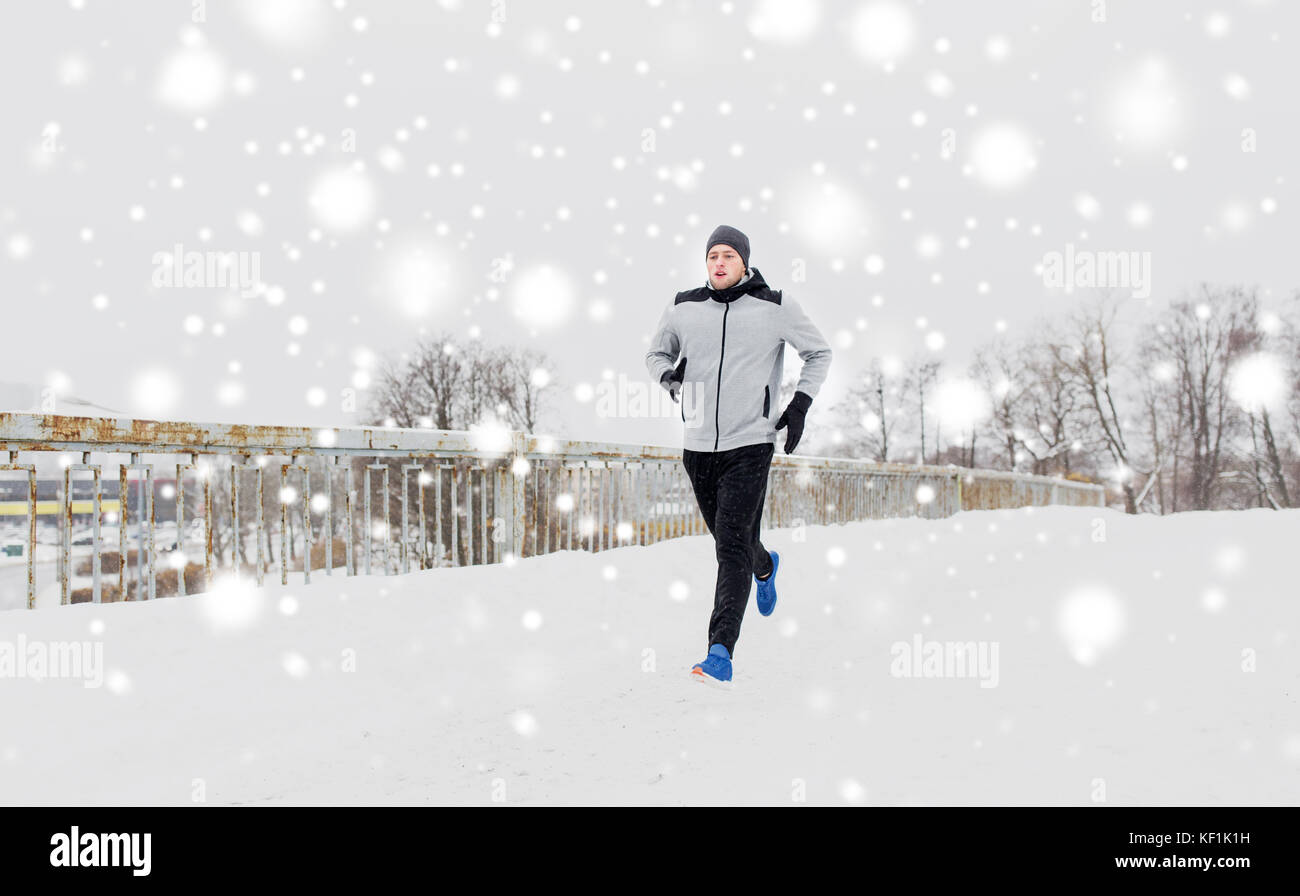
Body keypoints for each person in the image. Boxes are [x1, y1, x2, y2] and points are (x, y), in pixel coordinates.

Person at [644, 224, 832, 685]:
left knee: (729, 545)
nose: (720, 262)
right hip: (698, 447)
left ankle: (719, 651)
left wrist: (800, 404)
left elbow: (820, 353)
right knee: (735, 542)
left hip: (750, 444)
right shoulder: (683, 306)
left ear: (744, 262)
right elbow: (655, 354)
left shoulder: (775, 306)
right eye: (713, 256)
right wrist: (670, 379)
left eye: (729, 255)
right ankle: (765, 566)